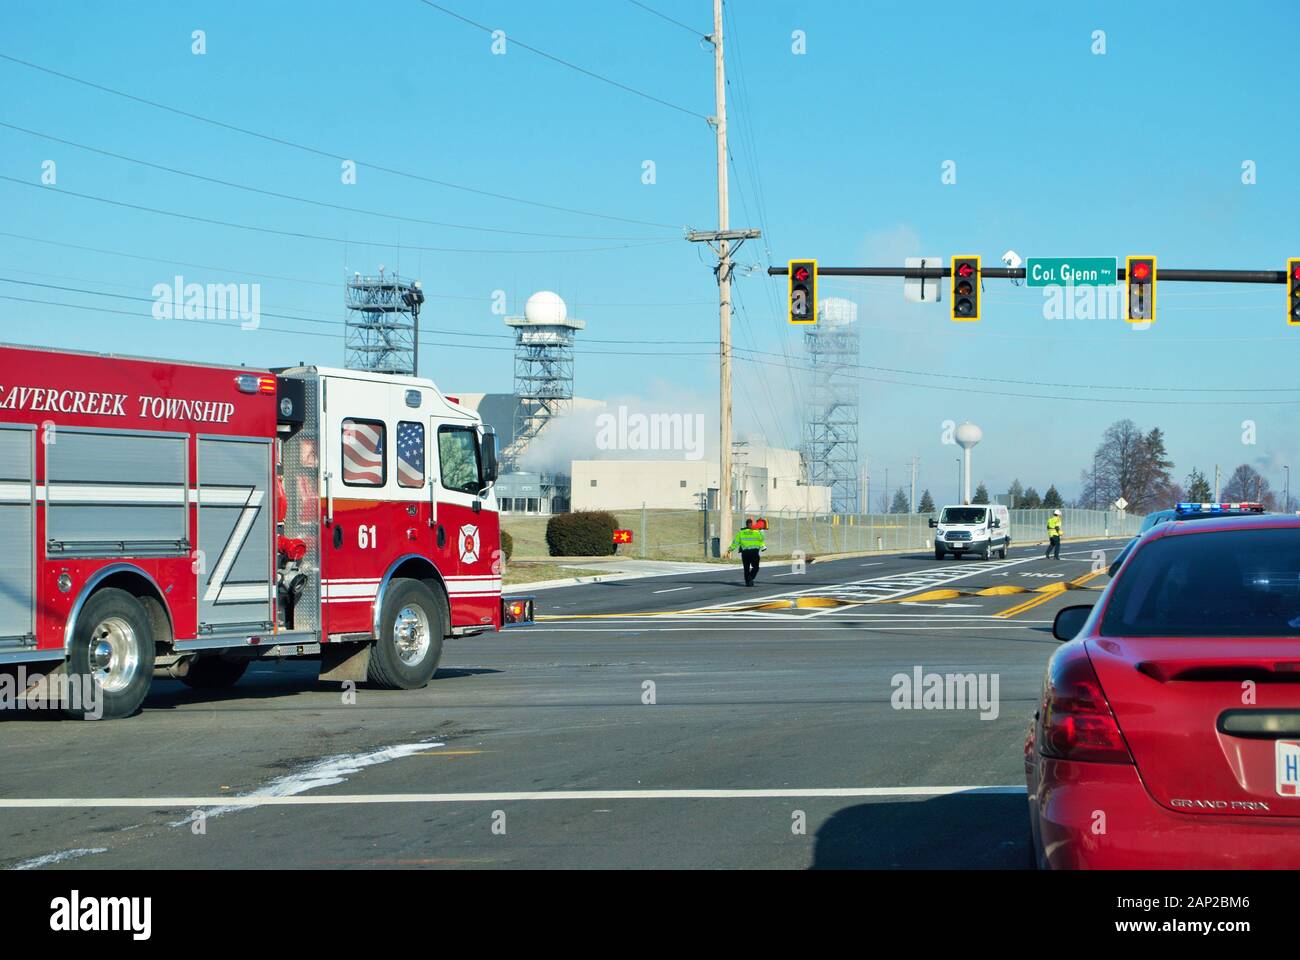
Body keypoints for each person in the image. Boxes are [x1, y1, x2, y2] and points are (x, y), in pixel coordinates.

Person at [728, 517, 767, 586]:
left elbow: (736, 542)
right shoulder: (756, 532)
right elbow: (761, 539)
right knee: (756, 567)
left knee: (746, 568)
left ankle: (748, 582)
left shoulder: (741, 532)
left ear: (746, 524)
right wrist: (761, 531)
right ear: (752, 524)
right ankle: (750, 578)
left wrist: (731, 549)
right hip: (754, 552)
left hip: (745, 552)